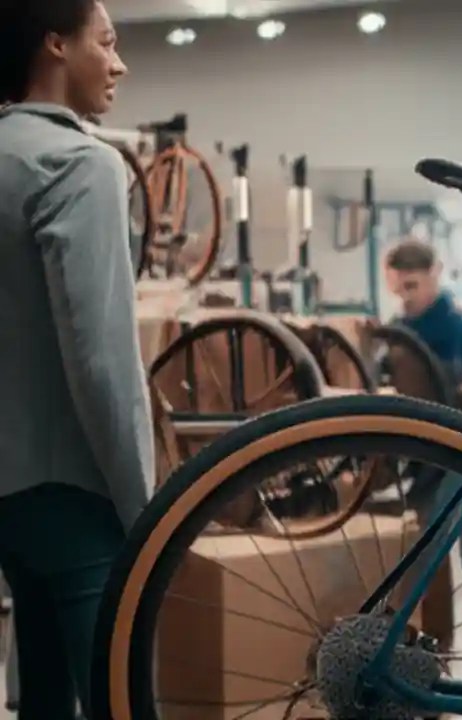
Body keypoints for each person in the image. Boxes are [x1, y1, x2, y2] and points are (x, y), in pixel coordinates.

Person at [0, 1, 152, 718]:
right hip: (75, 494)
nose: (118, 64)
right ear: (56, 43)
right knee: (119, 698)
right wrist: (145, 509)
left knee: (40, 700)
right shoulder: (80, 164)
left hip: (10, 495)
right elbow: (102, 361)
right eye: (108, 43)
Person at [383, 240, 462, 677]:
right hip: (422, 457)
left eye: (414, 285)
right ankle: (434, 656)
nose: (407, 296)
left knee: (461, 545)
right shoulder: (398, 332)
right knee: (428, 553)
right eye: (399, 288)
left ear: (435, 273)